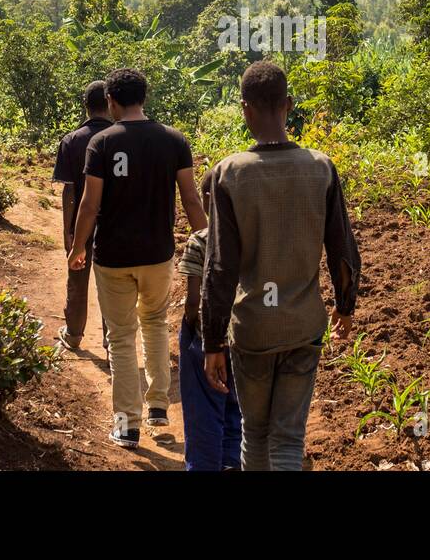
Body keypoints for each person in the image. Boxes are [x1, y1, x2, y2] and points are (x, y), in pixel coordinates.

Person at [201, 60, 361, 471]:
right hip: (302, 326)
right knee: (289, 438)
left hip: (252, 327)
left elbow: (219, 267)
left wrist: (213, 341)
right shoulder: (320, 168)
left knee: (254, 434)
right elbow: (342, 250)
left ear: (244, 109)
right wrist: (345, 305)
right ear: (289, 105)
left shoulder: (229, 174)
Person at [68, 68, 207, 449]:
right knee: (156, 323)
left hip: (112, 257)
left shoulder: (102, 143)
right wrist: (208, 244)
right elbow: (191, 199)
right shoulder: (174, 141)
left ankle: (126, 425)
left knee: (122, 337)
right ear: (144, 98)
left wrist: (78, 247)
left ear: (111, 101)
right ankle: (158, 406)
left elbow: (90, 203)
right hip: (158, 255)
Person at [177, 171, 242, 470]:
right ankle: (231, 462)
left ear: (206, 201)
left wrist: (191, 326)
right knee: (236, 408)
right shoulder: (251, 237)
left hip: (208, 336)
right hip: (243, 337)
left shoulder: (201, 240)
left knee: (203, 412)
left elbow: (193, 299)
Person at [52, 80, 113, 352]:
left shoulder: (71, 141)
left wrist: (69, 231)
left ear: (85, 106)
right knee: (112, 285)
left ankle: (74, 335)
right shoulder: (119, 137)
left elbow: (70, 192)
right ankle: (112, 343)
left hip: (81, 223)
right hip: (115, 225)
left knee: (77, 276)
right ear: (110, 104)